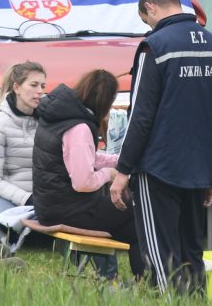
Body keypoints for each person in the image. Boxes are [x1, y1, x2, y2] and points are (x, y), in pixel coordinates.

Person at [107, 0, 212, 296]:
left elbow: (141, 114)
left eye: (145, 20)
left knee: (161, 251)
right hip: (200, 165)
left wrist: (123, 171)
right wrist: (211, 174)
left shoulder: (156, 46)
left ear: (151, 8)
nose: (147, 27)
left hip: (159, 165)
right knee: (192, 249)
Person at [33, 70, 144, 280]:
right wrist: (109, 174)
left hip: (49, 205)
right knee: (137, 216)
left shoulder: (58, 116)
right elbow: (82, 182)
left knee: (127, 217)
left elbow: (82, 158)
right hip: (68, 210)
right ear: (104, 100)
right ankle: (145, 282)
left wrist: (120, 161)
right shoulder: (80, 128)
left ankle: (115, 277)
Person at [0, 61, 46, 246]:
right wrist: (27, 198)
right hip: (2, 196)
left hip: (40, 196)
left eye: (42, 86)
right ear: (16, 87)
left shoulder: (46, 121)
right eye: (33, 85)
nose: (40, 91)